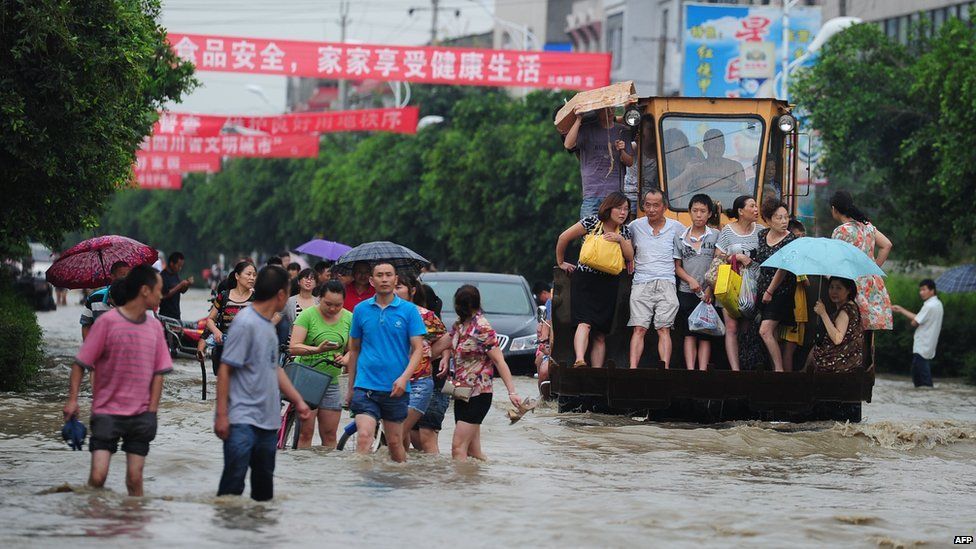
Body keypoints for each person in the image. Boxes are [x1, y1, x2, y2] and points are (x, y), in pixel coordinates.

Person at [62, 265, 172, 496]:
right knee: (98, 477)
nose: (161, 296)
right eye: (159, 290)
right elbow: (80, 364)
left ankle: (133, 527)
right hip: (107, 412)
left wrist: (152, 411)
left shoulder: (155, 327)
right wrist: (72, 401)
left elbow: (159, 372)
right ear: (145, 291)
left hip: (141, 416)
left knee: (135, 481)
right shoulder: (106, 323)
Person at [215, 266, 312, 501]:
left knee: (263, 489)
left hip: (267, 422)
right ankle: (226, 534)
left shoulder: (269, 326)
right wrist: (221, 415)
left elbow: (273, 368)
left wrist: (299, 401)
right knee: (232, 486)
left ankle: (259, 535)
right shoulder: (245, 323)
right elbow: (226, 369)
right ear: (280, 295)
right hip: (241, 419)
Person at [344, 262, 426, 462]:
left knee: (395, 443)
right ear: (372, 281)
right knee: (364, 437)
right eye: (379, 275)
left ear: (395, 279)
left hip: (396, 388)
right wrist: (350, 387)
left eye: (389, 275)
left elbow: (418, 350)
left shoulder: (409, 311)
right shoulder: (361, 310)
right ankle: (358, 487)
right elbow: (354, 349)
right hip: (365, 385)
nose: (384, 279)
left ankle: (400, 482)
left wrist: (404, 378)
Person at [433, 285, 521, 461]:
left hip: (479, 395)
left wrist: (512, 392)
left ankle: (459, 487)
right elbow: (439, 347)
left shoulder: (482, 327)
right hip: (461, 393)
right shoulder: (459, 326)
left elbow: (498, 360)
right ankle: (478, 485)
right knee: (473, 452)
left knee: (458, 448)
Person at [555, 192, 635, 368]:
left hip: (609, 283)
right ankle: (580, 359)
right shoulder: (591, 222)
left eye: (626, 209)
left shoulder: (625, 231)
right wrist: (561, 262)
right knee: (584, 322)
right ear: (609, 208)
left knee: (600, 332)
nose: (623, 213)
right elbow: (563, 237)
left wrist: (620, 239)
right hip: (585, 280)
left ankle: (596, 371)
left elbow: (629, 256)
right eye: (619, 208)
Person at [289, 280, 351, 448]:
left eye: (338, 305)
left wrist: (345, 359)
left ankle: (326, 473)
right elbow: (293, 347)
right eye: (328, 304)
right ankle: (304, 471)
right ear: (319, 299)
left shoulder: (349, 317)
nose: (333, 309)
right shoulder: (307, 315)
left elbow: (354, 350)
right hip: (307, 379)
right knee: (306, 433)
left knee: (330, 434)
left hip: (333, 381)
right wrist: (317, 350)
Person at [628, 188, 684, 369]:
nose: (651, 209)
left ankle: (665, 368)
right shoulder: (635, 226)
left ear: (665, 207)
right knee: (639, 328)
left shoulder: (676, 227)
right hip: (641, 282)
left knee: (664, 328)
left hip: (667, 282)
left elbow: (690, 244)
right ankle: (633, 369)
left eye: (656, 205)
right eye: (647, 205)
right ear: (643, 206)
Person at [393, 272, 447, 453]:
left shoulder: (426, 316)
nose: (393, 290)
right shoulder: (383, 314)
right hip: (390, 380)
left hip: (420, 381)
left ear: (412, 291)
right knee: (403, 436)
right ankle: (402, 473)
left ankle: (430, 478)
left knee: (403, 433)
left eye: (398, 286)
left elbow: (448, 338)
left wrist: (431, 354)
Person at [830, 190, 893, 331]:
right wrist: (873, 268)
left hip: (850, 284)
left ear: (834, 209)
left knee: (851, 328)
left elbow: (836, 261)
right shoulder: (868, 227)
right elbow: (887, 245)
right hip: (871, 283)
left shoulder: (840, 231)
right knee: (867, 330)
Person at [715, 195, 764, 371]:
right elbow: (717, 256)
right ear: (741, 211)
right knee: (731, 326)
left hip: (752, 286)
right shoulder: (727, 231)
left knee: (746, 327)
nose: (756, 209)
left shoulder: (761, 230)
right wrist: (735, 257)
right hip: (731, 285)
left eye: (756, 206)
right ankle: (735, 370)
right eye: (752, 206)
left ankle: (746, 365)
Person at [751, 200, 797, 372]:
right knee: (772, 333)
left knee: (765, 330)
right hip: (763, 288)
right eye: (779, 218)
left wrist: (770, 291)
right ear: (768, 220)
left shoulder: (791, 239)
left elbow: (783, 268)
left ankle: (779, 372)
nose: (784, 221)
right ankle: (773, 369)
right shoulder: (762, 235)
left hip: (781, 290)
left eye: (786, 217)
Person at [563, 106, 634, 219]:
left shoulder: (622, 131)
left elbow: (629, 162)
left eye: (612, 108)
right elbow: (568, 144)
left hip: (615, 194)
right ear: (597, 110)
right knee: (591, 233)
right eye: (605, 109)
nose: (610, 112)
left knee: (613, 233)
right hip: (592, 193)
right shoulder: (586, 129)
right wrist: (578, 119)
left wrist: (622, 151)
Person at [673, 194, 719, 370]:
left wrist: (710, 290)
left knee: (705, 334)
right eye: (695, 211)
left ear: (709, 214)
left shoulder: (716, 235)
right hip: (686, 291)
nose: (698, 215)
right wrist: (690, 279)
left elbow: (718, 264)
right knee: (689, 333)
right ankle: (691, 370)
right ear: (689, 212)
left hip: (708, 294)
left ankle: (702, 371)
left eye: (703, 211)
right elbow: (677, 266)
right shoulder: (680, 237)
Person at [410, 284, 451, 454]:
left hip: (433, 383)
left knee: (426, 434)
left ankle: (433, 475)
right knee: (414, 436)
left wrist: (445, 357)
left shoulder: (430, 320)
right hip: (408, 382)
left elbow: (447, 338)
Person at [205, 261, 256, 376]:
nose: (252, 278)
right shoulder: (223, 296)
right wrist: (216, 331)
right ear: (237, 276)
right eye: (248, 274)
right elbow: (210, 320)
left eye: (254, 275)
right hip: (224, 348)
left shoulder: (257, 298)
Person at [892, 279, 944, 388]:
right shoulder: (938, 304)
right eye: (920, 290)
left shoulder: (929, 305)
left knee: (922, 379)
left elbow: (915, 321)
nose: (921, 292)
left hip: (922, 344)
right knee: (919, 374)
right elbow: (920, 317)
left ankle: (926, 397)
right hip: (928, 343)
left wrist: (901, 310)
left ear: (932, 290)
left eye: (924, 289)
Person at [808, 277, 864, 373]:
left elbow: (837, 339)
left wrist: (823, 313)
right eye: (831, 287)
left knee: (815, 353)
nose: (833, 291)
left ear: (848, 291)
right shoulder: (851, 306)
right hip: (850, 359)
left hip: (840, 362)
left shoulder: (846, 310)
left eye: (839, 288)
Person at [80, 261, 130, 340]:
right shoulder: (95, 298)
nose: (126, 278)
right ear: (112, 277)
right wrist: (88, 347)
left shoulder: (135, 297)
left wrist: (117, 306)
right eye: (123, 275)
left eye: (129, 275)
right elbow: (86, 324)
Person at [159, 252, 194, 320]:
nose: (180, 268)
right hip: (165, 315)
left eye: (181, 266)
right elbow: (165, 295)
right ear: (171, 264)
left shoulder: (175, 275)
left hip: (176, 314)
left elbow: (182, 291)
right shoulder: (163, 276)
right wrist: (180, 285)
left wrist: (187, 285)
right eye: (178, 266)